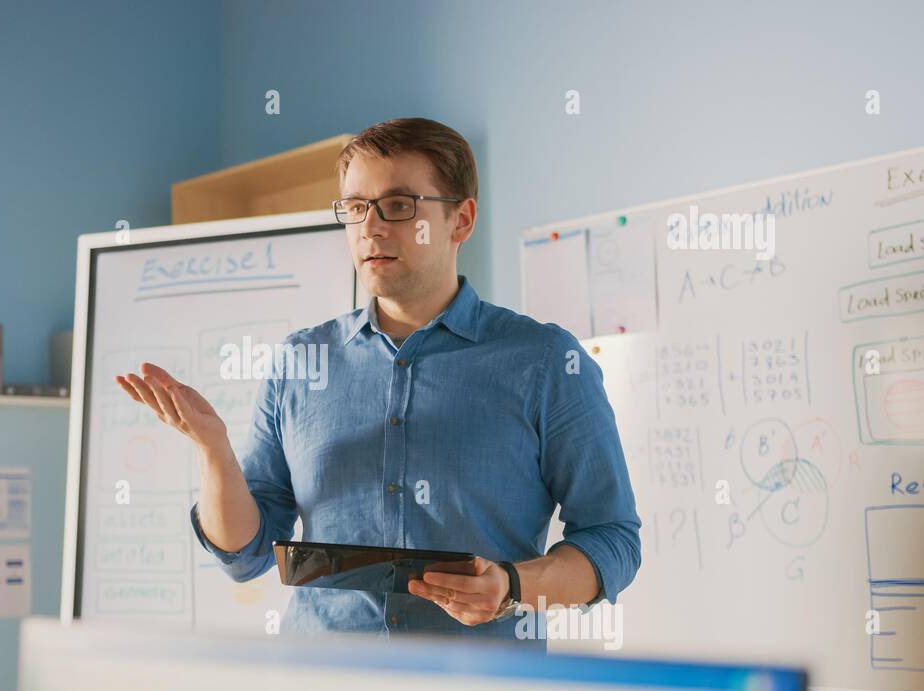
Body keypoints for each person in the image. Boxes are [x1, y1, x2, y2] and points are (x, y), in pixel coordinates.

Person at [116, 117, 641, 642]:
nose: (370, 226)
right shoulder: (300, 362)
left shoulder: (545, 361)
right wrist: (214, 451)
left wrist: (513, 585)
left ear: (461, 220)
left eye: (398, 206)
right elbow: (245, 556)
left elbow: (612, 540)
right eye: (356, 207)